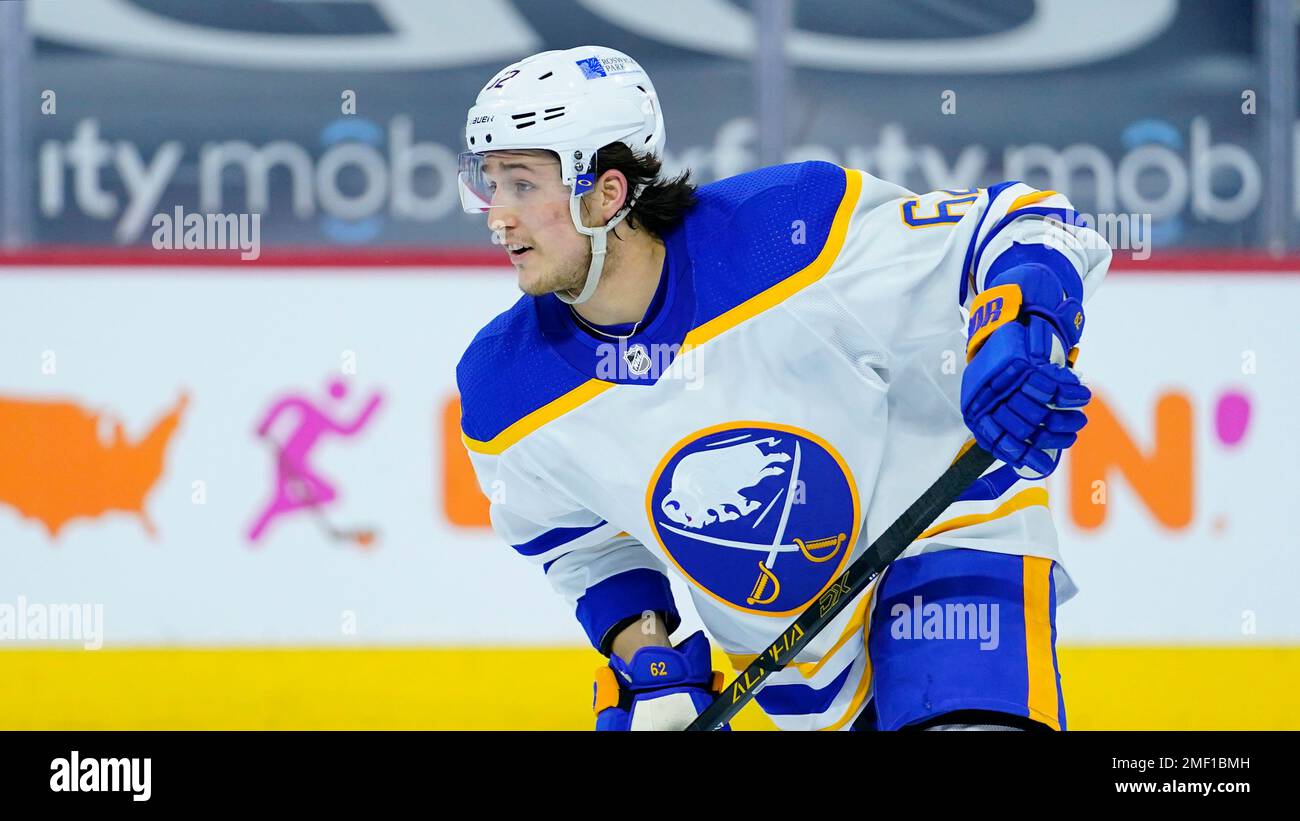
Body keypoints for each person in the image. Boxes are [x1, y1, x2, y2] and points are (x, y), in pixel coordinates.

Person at [455, 46, 1110, 731]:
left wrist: (1021, 328)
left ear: (607, 192)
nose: (497, 215)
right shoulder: (506, 389)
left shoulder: (787, 236)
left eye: (523, 185)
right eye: (488, 183)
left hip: (946, 539)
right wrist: (651, 661)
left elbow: (1024, 224)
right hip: (802, 678)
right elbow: (584, 549)